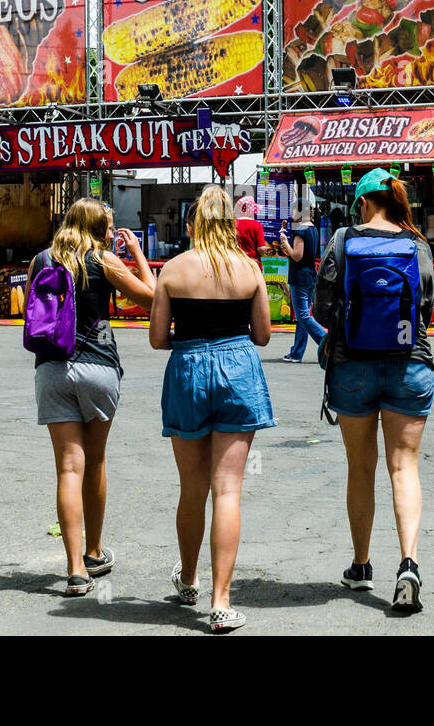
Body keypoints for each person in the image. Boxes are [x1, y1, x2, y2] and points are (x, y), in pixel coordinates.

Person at [150, 185, 274, 633]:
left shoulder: (174, 269)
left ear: (194, 223)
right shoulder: (249, 268)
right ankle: (222, 602)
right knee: (228, 490)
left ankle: (188, 581)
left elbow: (158, 337)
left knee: (192, 488)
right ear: (230, 224)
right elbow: (262, 335)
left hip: (187, 368)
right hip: (238, 367)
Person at [312, 168, 434, 614]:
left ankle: (362, 565)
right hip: (410, 365)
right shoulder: (416, 243)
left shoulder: (344, 239)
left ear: (364, 203)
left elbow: (321, 306)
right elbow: (426, 304)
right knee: (404, 469)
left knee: (361, 468)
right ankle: (409, 564)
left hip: (352, 368)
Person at [29, 198, 156, 596]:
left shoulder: (40, 260)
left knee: (69, 467)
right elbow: (153, 299)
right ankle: (95, 552)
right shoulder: (103, 261)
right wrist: (136, 254)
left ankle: (73, 570)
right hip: (99, 370)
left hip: (51, 369)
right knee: (95, 460)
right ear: (101, 228)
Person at [278, 204, 325, 363]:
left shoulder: (300, 231)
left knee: (303, 315)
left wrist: (285, 243)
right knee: (302, 316)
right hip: (311, 275)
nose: (291, 214)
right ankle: (297, 352)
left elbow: (297, 256)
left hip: (300, 277)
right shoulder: (313, 229)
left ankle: (327, 342)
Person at [233, 195, 266, 262]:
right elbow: (261, 249)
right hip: (253, 263)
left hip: (235, 262)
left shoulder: (233, 224)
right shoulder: (257, 225)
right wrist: (264, 253)